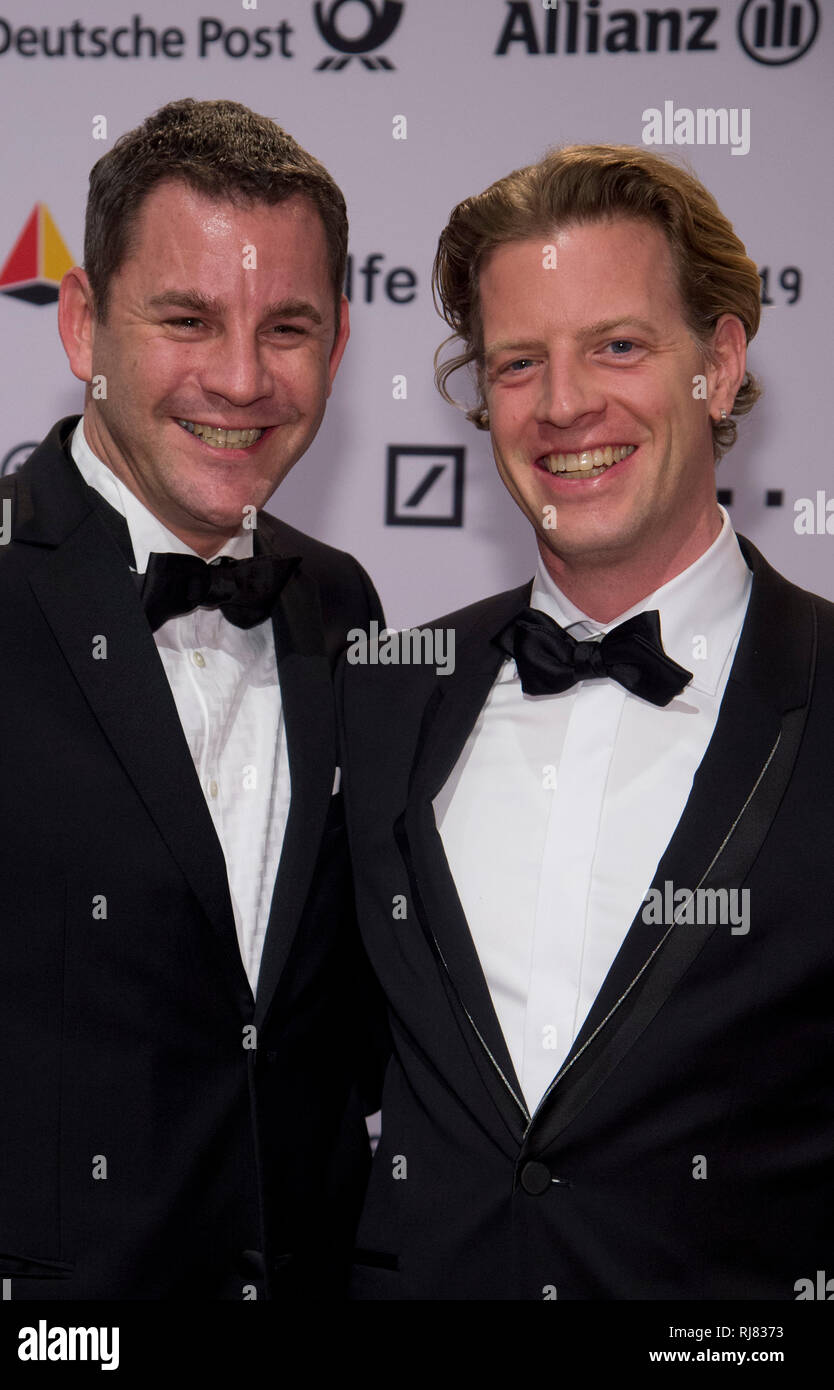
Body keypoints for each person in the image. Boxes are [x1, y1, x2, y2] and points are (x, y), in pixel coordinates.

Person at [339, 144, 834, 1299]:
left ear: (717, 363)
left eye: (616, 345)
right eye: (518, 362)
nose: (563, 405)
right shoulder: (385, 692)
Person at [0, 98, 384, 1300]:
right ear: (83, 323)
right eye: (188, 319)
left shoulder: (341, 603)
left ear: (338, 347)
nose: (241, 378)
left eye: (287, 327)